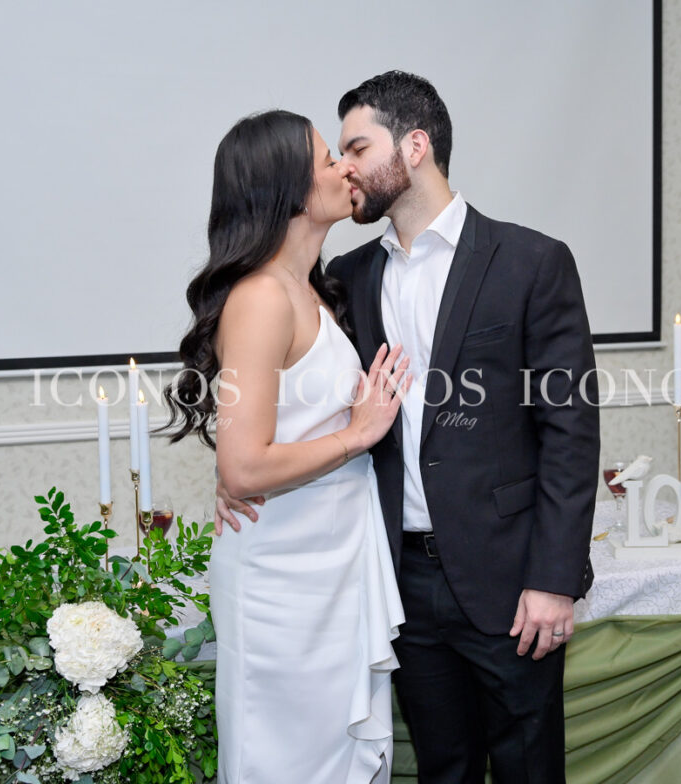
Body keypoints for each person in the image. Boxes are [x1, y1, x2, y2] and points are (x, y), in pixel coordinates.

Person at [218, 72, 600, 783]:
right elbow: (295, 396)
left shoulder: (531, 262)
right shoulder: (345, 279)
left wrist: (553, 579)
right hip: (394, 583)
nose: (347, 166)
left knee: (528, 767)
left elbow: (570, 433)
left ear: (415, 146)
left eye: (357, 146)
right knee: (440, 768)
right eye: (336, 153)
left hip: (508, 581)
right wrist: (233, 469)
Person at [163, 109, 410, 784]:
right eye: (329, 159)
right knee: (287, 760)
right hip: (283, 580)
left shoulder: (313, 291)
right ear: (290, 191)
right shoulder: (261, 299)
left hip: (333, 559)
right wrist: (358, 433)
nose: (347, 168)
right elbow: (242, 468)